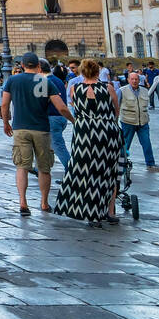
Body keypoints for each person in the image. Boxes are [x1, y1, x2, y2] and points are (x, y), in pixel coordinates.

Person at [54, 59, 124, 227]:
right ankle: (110, 211)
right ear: (98, 72)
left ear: (81, 72)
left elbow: (73, 108)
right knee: (109, 170)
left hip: (84, 133)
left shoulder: (74, 89)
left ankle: (92, 213)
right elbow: (116, 110)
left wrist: (82, 120)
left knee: (87, 171)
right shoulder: (108, 88)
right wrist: (107, 121)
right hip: (107, 131)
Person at [0, 52, 72, 215]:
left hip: (20, 128)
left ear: (23, 65)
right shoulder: (44, 82)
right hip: (41, 129)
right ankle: (44, 203)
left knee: (22, 167)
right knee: (44, 168)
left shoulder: (12, 80)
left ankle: (23, 203)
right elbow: (61, 107)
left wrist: (6, 123)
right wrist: (74, 120)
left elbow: (4, 105)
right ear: (38, 66)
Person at [117, 72, 159, 172]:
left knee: (147, 143)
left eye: (136, 79)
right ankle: (121, 166)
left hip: (143, 122)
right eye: (132, 79)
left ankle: (150, 164)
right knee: (125, 145)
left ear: (139, 80)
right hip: (127, 122)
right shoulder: (121, 91)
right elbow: (116, 106)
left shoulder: (144, 90)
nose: (134, 81)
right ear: (128, 80)